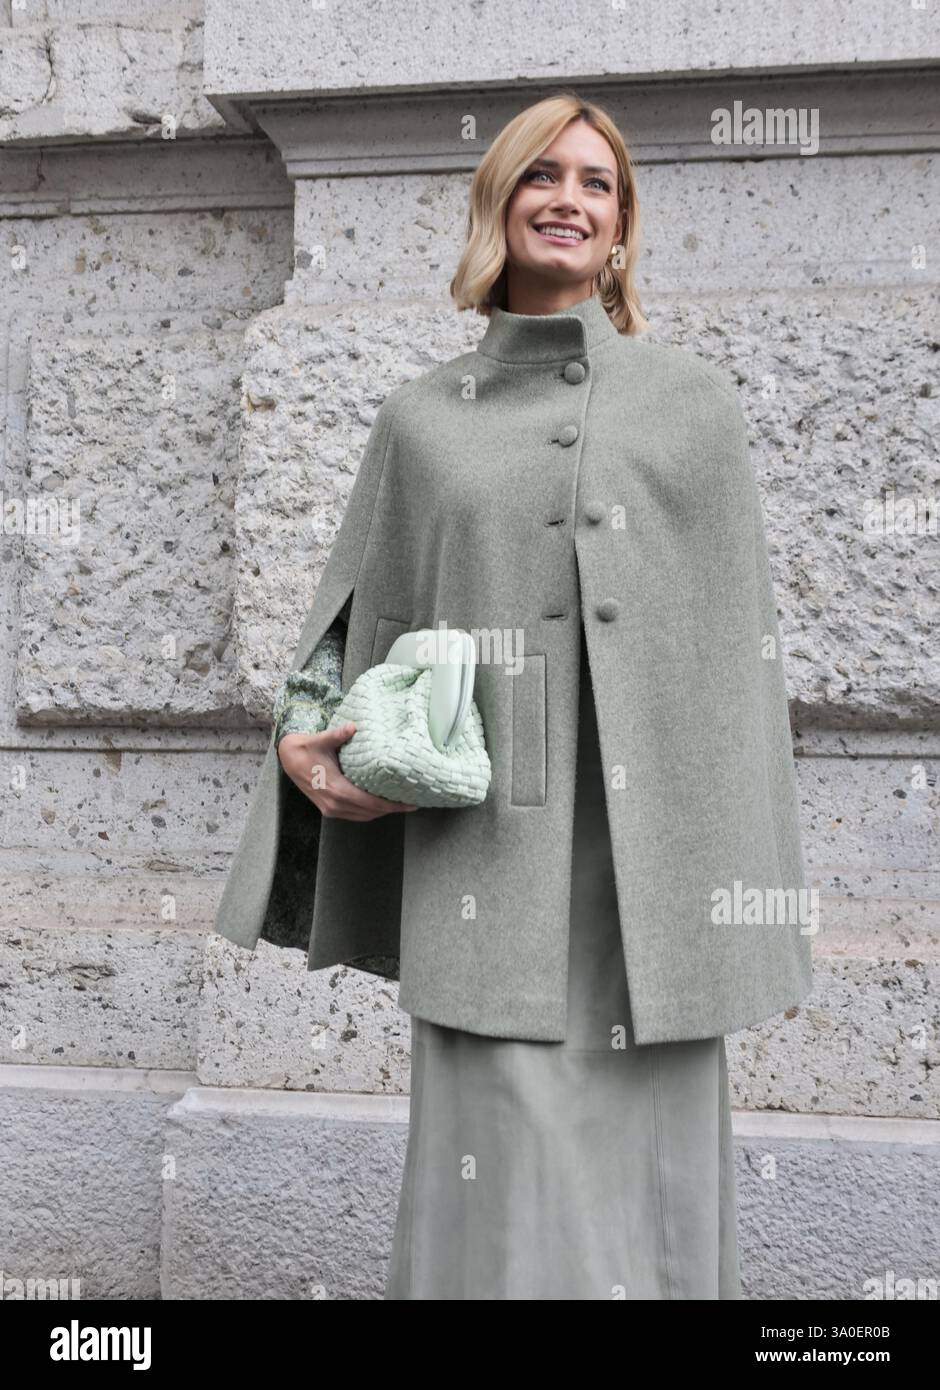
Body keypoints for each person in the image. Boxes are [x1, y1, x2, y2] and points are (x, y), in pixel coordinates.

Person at [263, 91, 793, 1299]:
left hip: (653, 871)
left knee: (646, 1161)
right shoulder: (422, 422)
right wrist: (309, 742)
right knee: (493, 1158)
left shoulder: (692, 407)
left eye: (597, 183)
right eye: (542, 175)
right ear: (498, 204)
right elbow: (349, 623)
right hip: (484, 848)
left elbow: (734, 663)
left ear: (621, 230)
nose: (569, 198)